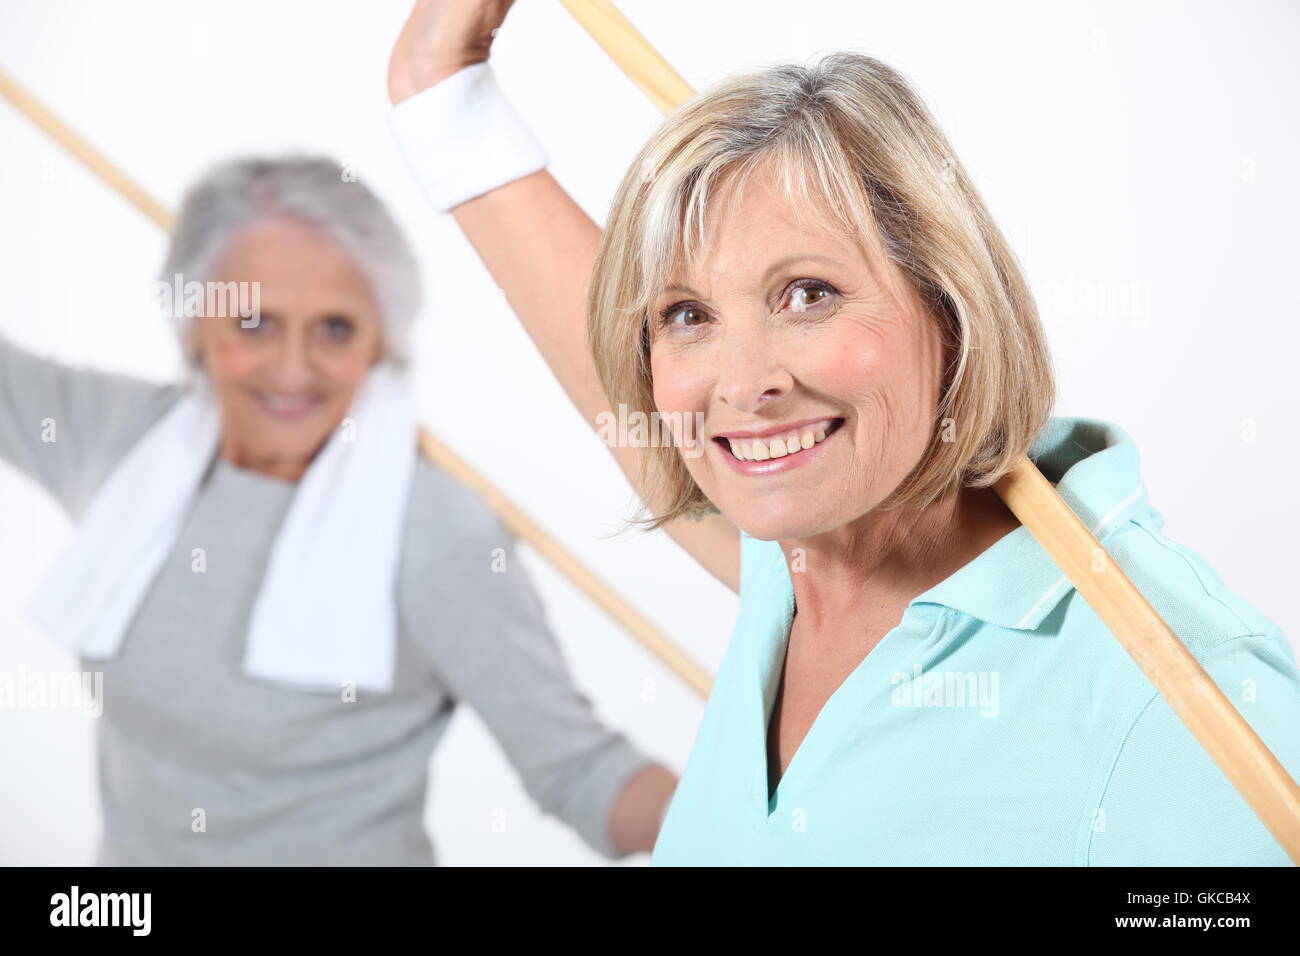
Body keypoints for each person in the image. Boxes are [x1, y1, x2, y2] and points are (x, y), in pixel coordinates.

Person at [385, 0, 1300, 865]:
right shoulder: (794, 552)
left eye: (808, 295)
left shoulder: (1179, 696)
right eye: (688, 315)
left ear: (950, 306)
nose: (745, 388)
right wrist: (442, 93)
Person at [0, 154, 675, 865]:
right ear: (194, 324)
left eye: (334, 330)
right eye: (253, 322)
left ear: (381, 339)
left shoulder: (434, 531)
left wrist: (754, 835)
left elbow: (579, 770)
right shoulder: (120, 438)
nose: (293, 370)